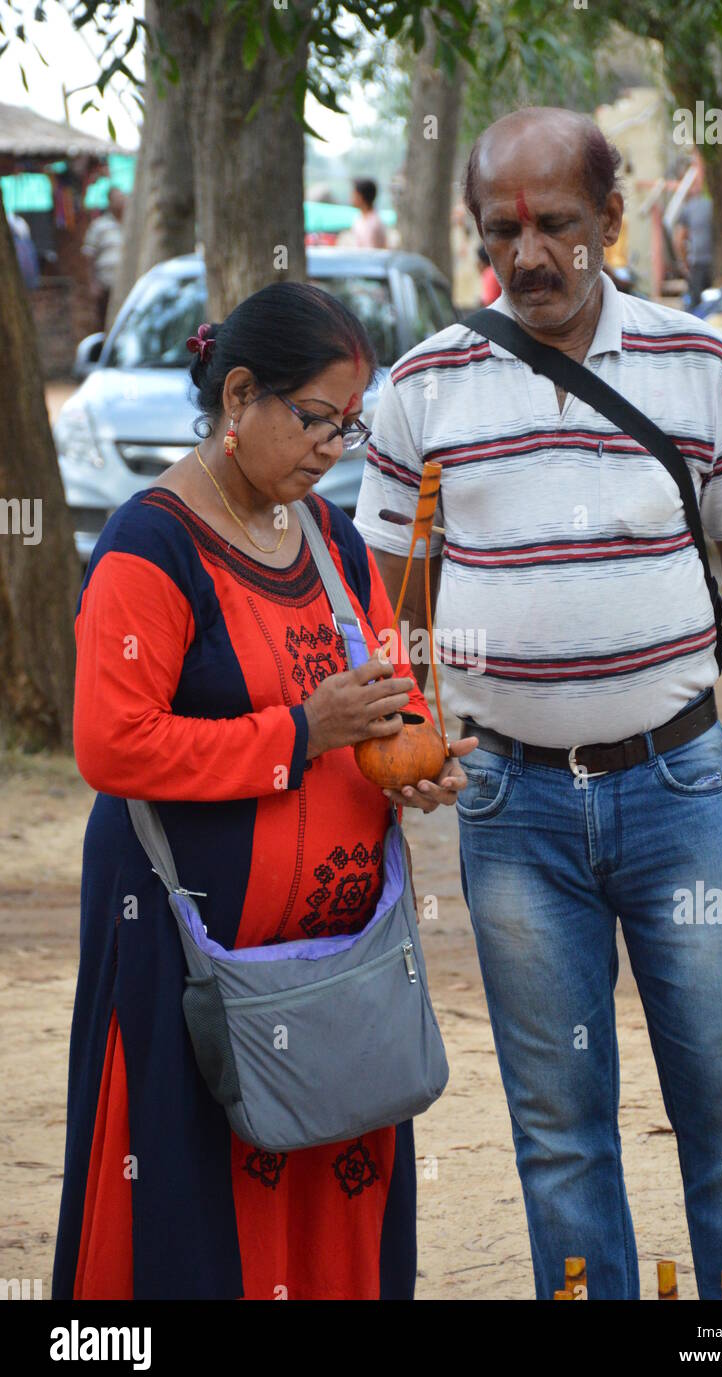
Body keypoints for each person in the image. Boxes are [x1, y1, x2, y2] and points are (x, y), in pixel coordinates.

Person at [354, 106, 722, 1300]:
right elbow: (394, 595)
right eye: (503, 229)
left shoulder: (698, 365)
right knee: (559, 1131)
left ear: (612, 221)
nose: (530, 253)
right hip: (510, 811)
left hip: (683, 794)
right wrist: (411, 729)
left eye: (558, 223)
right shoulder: (422, 389)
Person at [52, 282, 474, 1301]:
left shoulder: (327, 537)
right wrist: (298, 732)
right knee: (195, 1216)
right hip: (194, 960)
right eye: (316, 418)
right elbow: (115, 746)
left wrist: (414, 754)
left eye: (351, 422)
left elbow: (386, 688)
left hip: (341, 973)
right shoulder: (149, 543)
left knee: (336, 1206)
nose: (336, 445)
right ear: (239, 396)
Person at [81, 186, 126, 328]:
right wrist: (92, 283)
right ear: (109, 202)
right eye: (117, 199)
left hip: (128, 285)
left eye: (122, 198)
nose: (121, 202)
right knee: (107, 324)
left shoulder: (131, 225)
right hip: (106, 285)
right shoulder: (99, 226)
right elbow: (89, 256)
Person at [674, 159, 713, 308]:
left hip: (697, 264)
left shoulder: (689, 208)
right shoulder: (712, 205)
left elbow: (679, 240)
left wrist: (684, 263)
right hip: (714, 263)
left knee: (697, 308)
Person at [350, 178, 387, 249]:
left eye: (354, 195)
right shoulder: (359, 218)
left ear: (361, 197)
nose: (351, 198)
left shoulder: (375, 222)